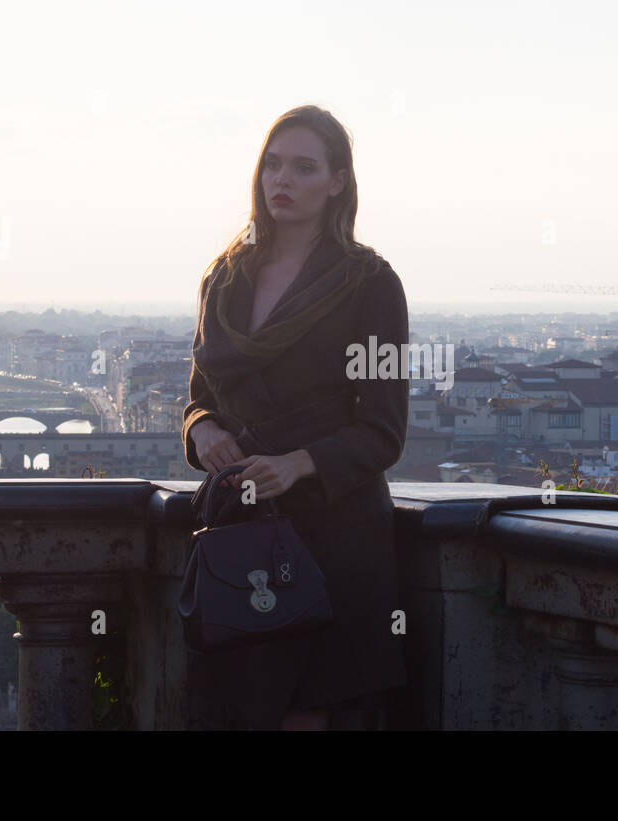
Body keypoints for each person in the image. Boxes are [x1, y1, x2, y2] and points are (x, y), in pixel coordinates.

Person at [182, 105, 409, 730]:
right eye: (272, 165)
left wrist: (297, 464)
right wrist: (203, 431)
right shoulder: (224, 279)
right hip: (240, 534)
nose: (281, 180)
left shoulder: (372, 284)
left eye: (304, 168)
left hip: (334, 535)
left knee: (309, 715)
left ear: (338, 182)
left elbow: (384, 428)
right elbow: (200, 397)